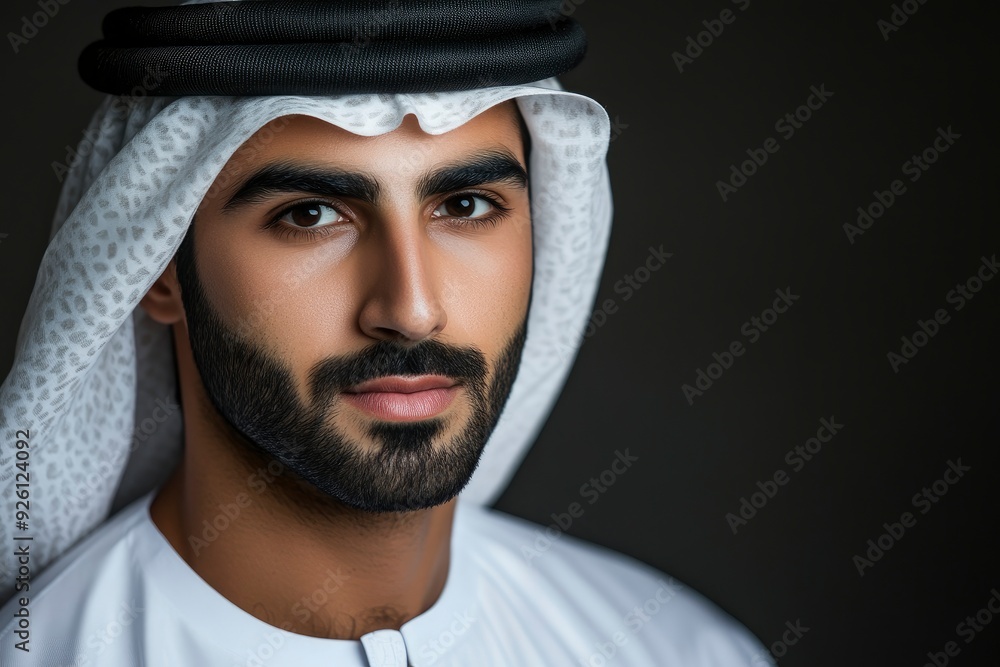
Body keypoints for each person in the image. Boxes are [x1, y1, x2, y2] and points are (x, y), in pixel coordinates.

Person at [0, 1, 770, 664]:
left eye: (465, 206)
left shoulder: (673, 646)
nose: (410, 307)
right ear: (159, 264)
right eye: (310, 214)